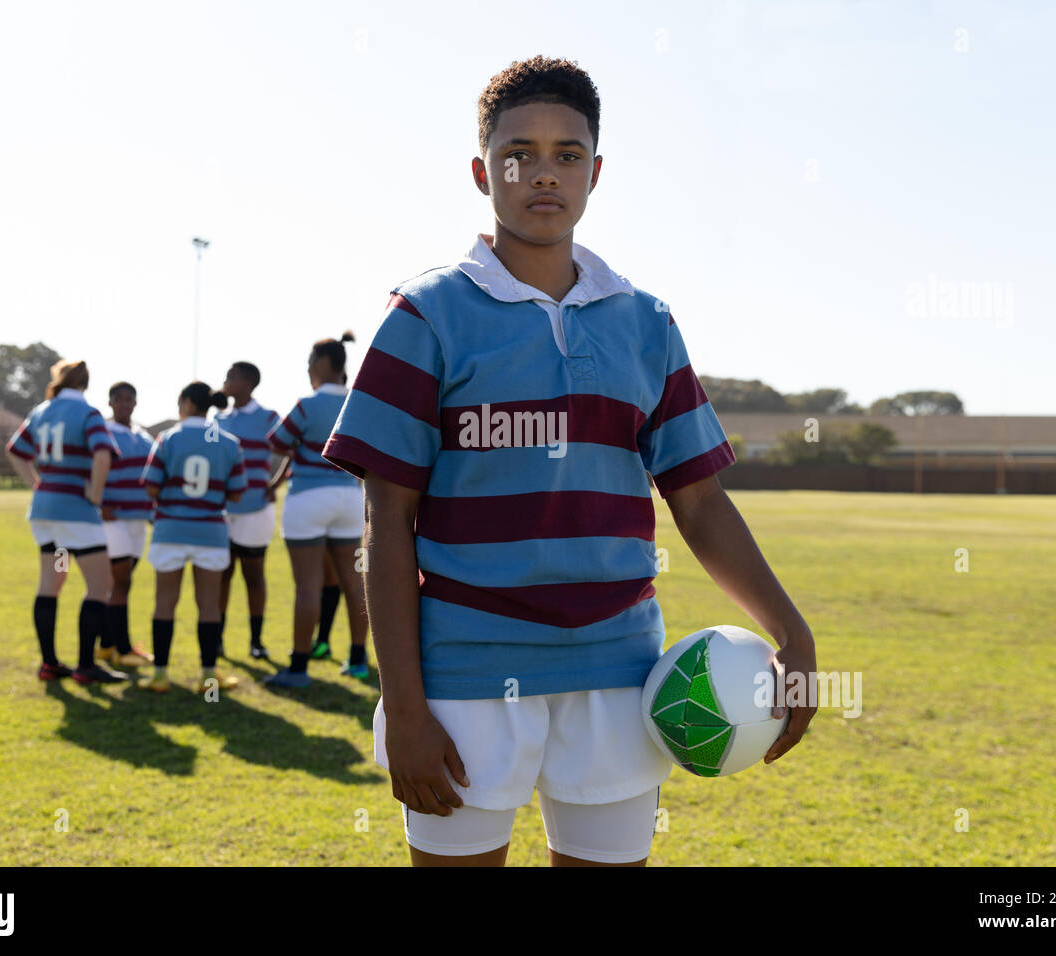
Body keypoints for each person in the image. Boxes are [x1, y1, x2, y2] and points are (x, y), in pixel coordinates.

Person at [322, 56, 818, 867]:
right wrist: (404, 705)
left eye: (567, 154)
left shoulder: (644, 321)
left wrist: (791, 632)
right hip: (465, 674)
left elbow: (700, 502)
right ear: (483, 171)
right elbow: (388, 522)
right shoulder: (425, 315)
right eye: (519, 154)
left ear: (597, 172)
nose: (542, 174)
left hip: (620, 674)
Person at [4, 359, 128, 684]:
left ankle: (49, 664)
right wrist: (96, 497)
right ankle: (86, 666)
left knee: (51, 584)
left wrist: (36, 484)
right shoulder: (88, 413)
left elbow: (16, 450)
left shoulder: (41, 411)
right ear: (85, 384)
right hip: (77, 513)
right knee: (100, 587)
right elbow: (103, 454)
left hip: (45, 513)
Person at [265, 332, 370, 687]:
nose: (308, 368)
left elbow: (277, 443)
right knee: (355, 583)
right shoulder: (360, 401)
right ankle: (358, 659)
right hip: (350, 499)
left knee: (307, 587)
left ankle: (298, 669)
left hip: (308, 498)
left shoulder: (307, 404)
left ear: (323, 364)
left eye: (310, 362)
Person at [137, 382, 247, 694]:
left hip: (170, 529)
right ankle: (208, 677)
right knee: (209, 605)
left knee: (164, 604)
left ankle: (160, 675)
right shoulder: (229, 443)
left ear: (185, 402)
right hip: (210, 531)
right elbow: (238, 494)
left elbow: (151, 487)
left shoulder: (167, 438)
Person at [214, 361, 281, 660]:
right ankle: (216, 640)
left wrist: (275, 483)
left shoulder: (269, 418)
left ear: (249, 382)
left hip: (256, 508)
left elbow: (292, 449)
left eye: (231, 377)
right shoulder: (217, 419)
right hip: (223, 510)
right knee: (221, 576)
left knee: (254, 576)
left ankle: (256, 641)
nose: (226, 382)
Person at [94, 381, 155, 668]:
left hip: (138, 519)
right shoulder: (104, 434)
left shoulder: (143, 436)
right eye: (119, 399)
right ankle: (122, 648)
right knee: (120, 582)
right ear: (110, 403)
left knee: (118, 584)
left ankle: (105, 644)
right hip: (113, 518)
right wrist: (101, 501)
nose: (124, 404)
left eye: (129, 399)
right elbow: (92, 469)